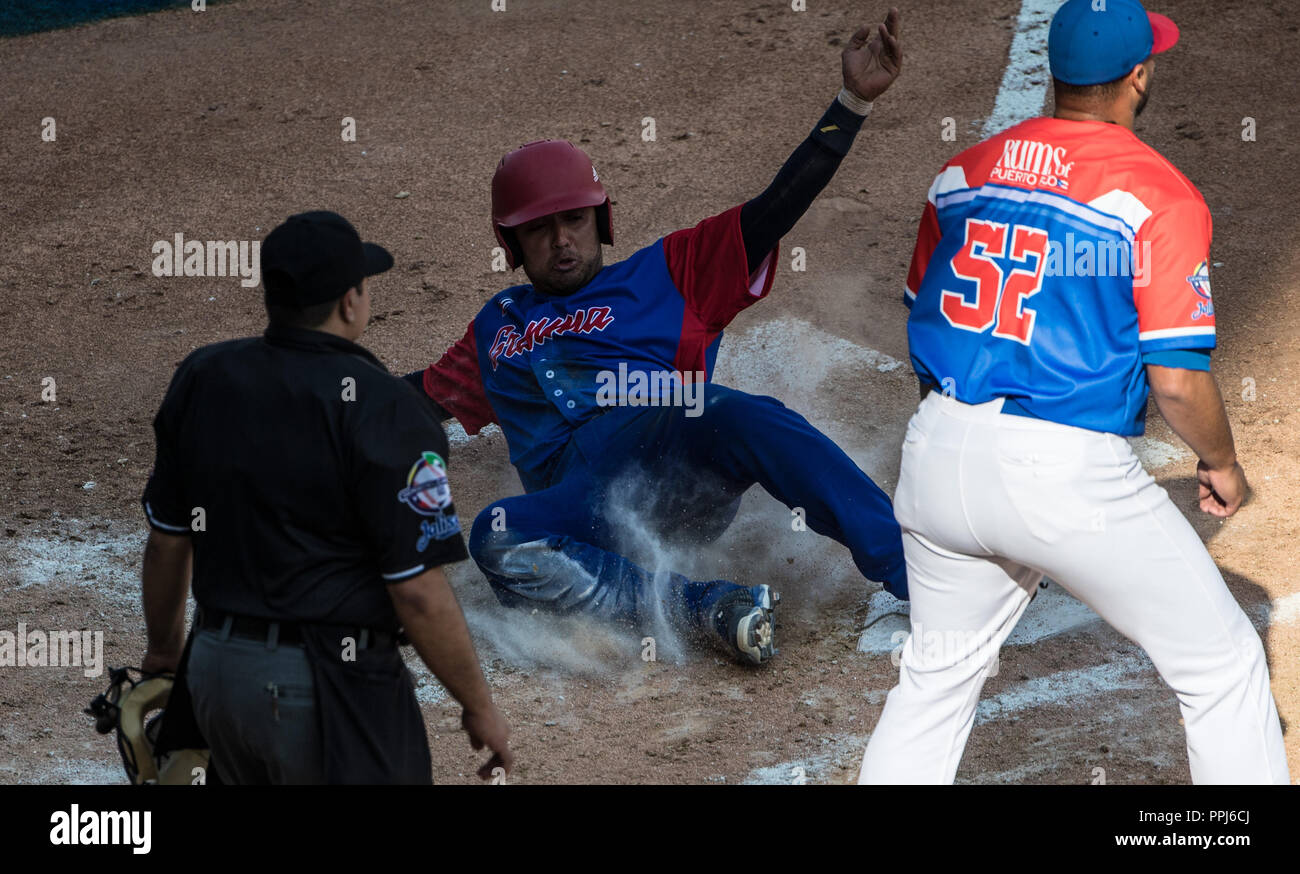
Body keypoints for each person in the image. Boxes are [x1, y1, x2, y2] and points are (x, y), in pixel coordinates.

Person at [859, 0, 1290, 783]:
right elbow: (1178, 380)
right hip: (1062, 475)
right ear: (1138, 75)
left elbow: (919, 311)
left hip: (936, 455)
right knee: (1223, 662)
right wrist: (1221, 462)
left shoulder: (963, 172)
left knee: (934, 683)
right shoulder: (1162, 196)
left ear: (1055, 74)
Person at [406, 10, 908, 665]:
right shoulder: (496, 326)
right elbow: (406, 399)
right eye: (540, 229)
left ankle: (919, 572)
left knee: (742, 414)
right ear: (512, 243)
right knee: (498, 534)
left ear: (601, 219)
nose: (561, 240)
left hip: (674, 455)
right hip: (582, 508)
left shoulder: (669, 271)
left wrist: (849, 106)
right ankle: (707, 610)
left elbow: (774, 209)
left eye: (575, 220)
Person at [139, 210, 513, 783]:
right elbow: (416, 592)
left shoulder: (203, 378)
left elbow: (169, 542)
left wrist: (167, 654)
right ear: (349, 302)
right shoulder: (390, 410)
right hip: (328, 688)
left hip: (214, 672)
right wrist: (478, 704)